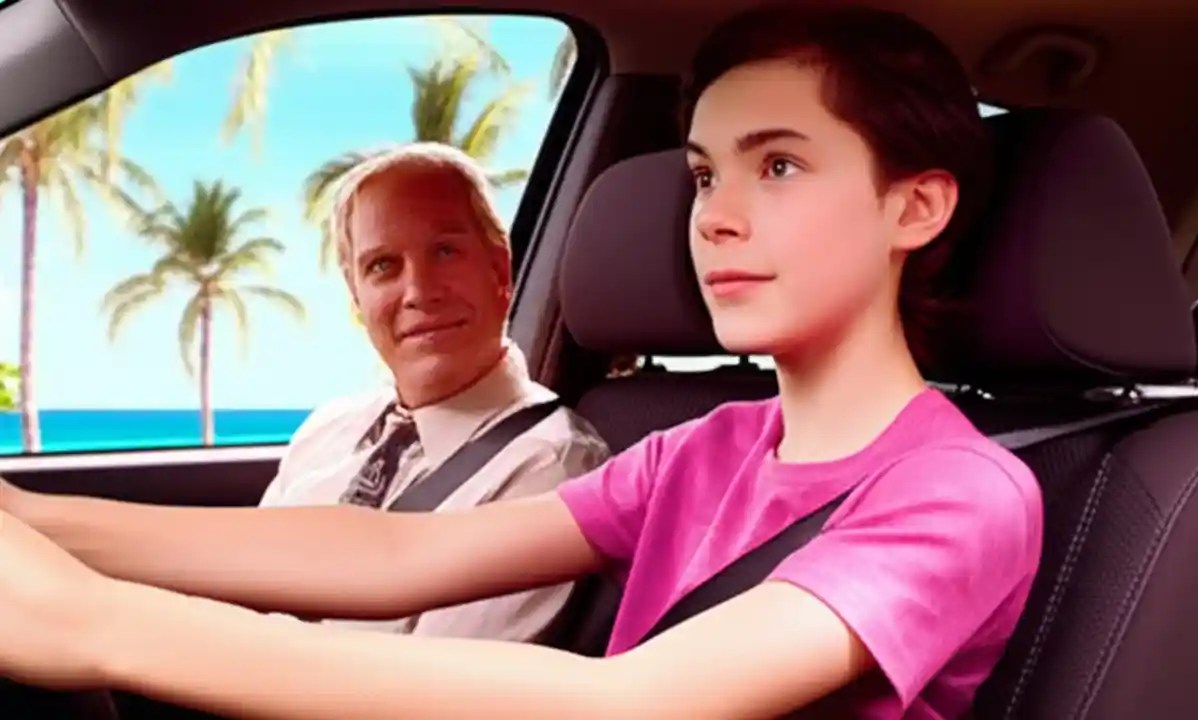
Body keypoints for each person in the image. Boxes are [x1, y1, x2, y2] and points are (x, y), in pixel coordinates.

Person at [0, 5, 1043, 719]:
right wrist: (32, 516)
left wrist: (97, 625)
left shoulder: (962, 494)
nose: (716, 216)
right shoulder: (705, 449)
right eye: (702, 175)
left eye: (777, 164)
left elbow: (639, 702)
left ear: (914, 206)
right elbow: (398, 557)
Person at [253, 143, 611, 641]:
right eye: (383, 266)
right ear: (356, 298)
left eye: (445, 252)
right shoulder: (326, 432)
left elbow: (427, 681)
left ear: (499, 271)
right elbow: (247, 596)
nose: (419, 291)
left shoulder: (548, 465)